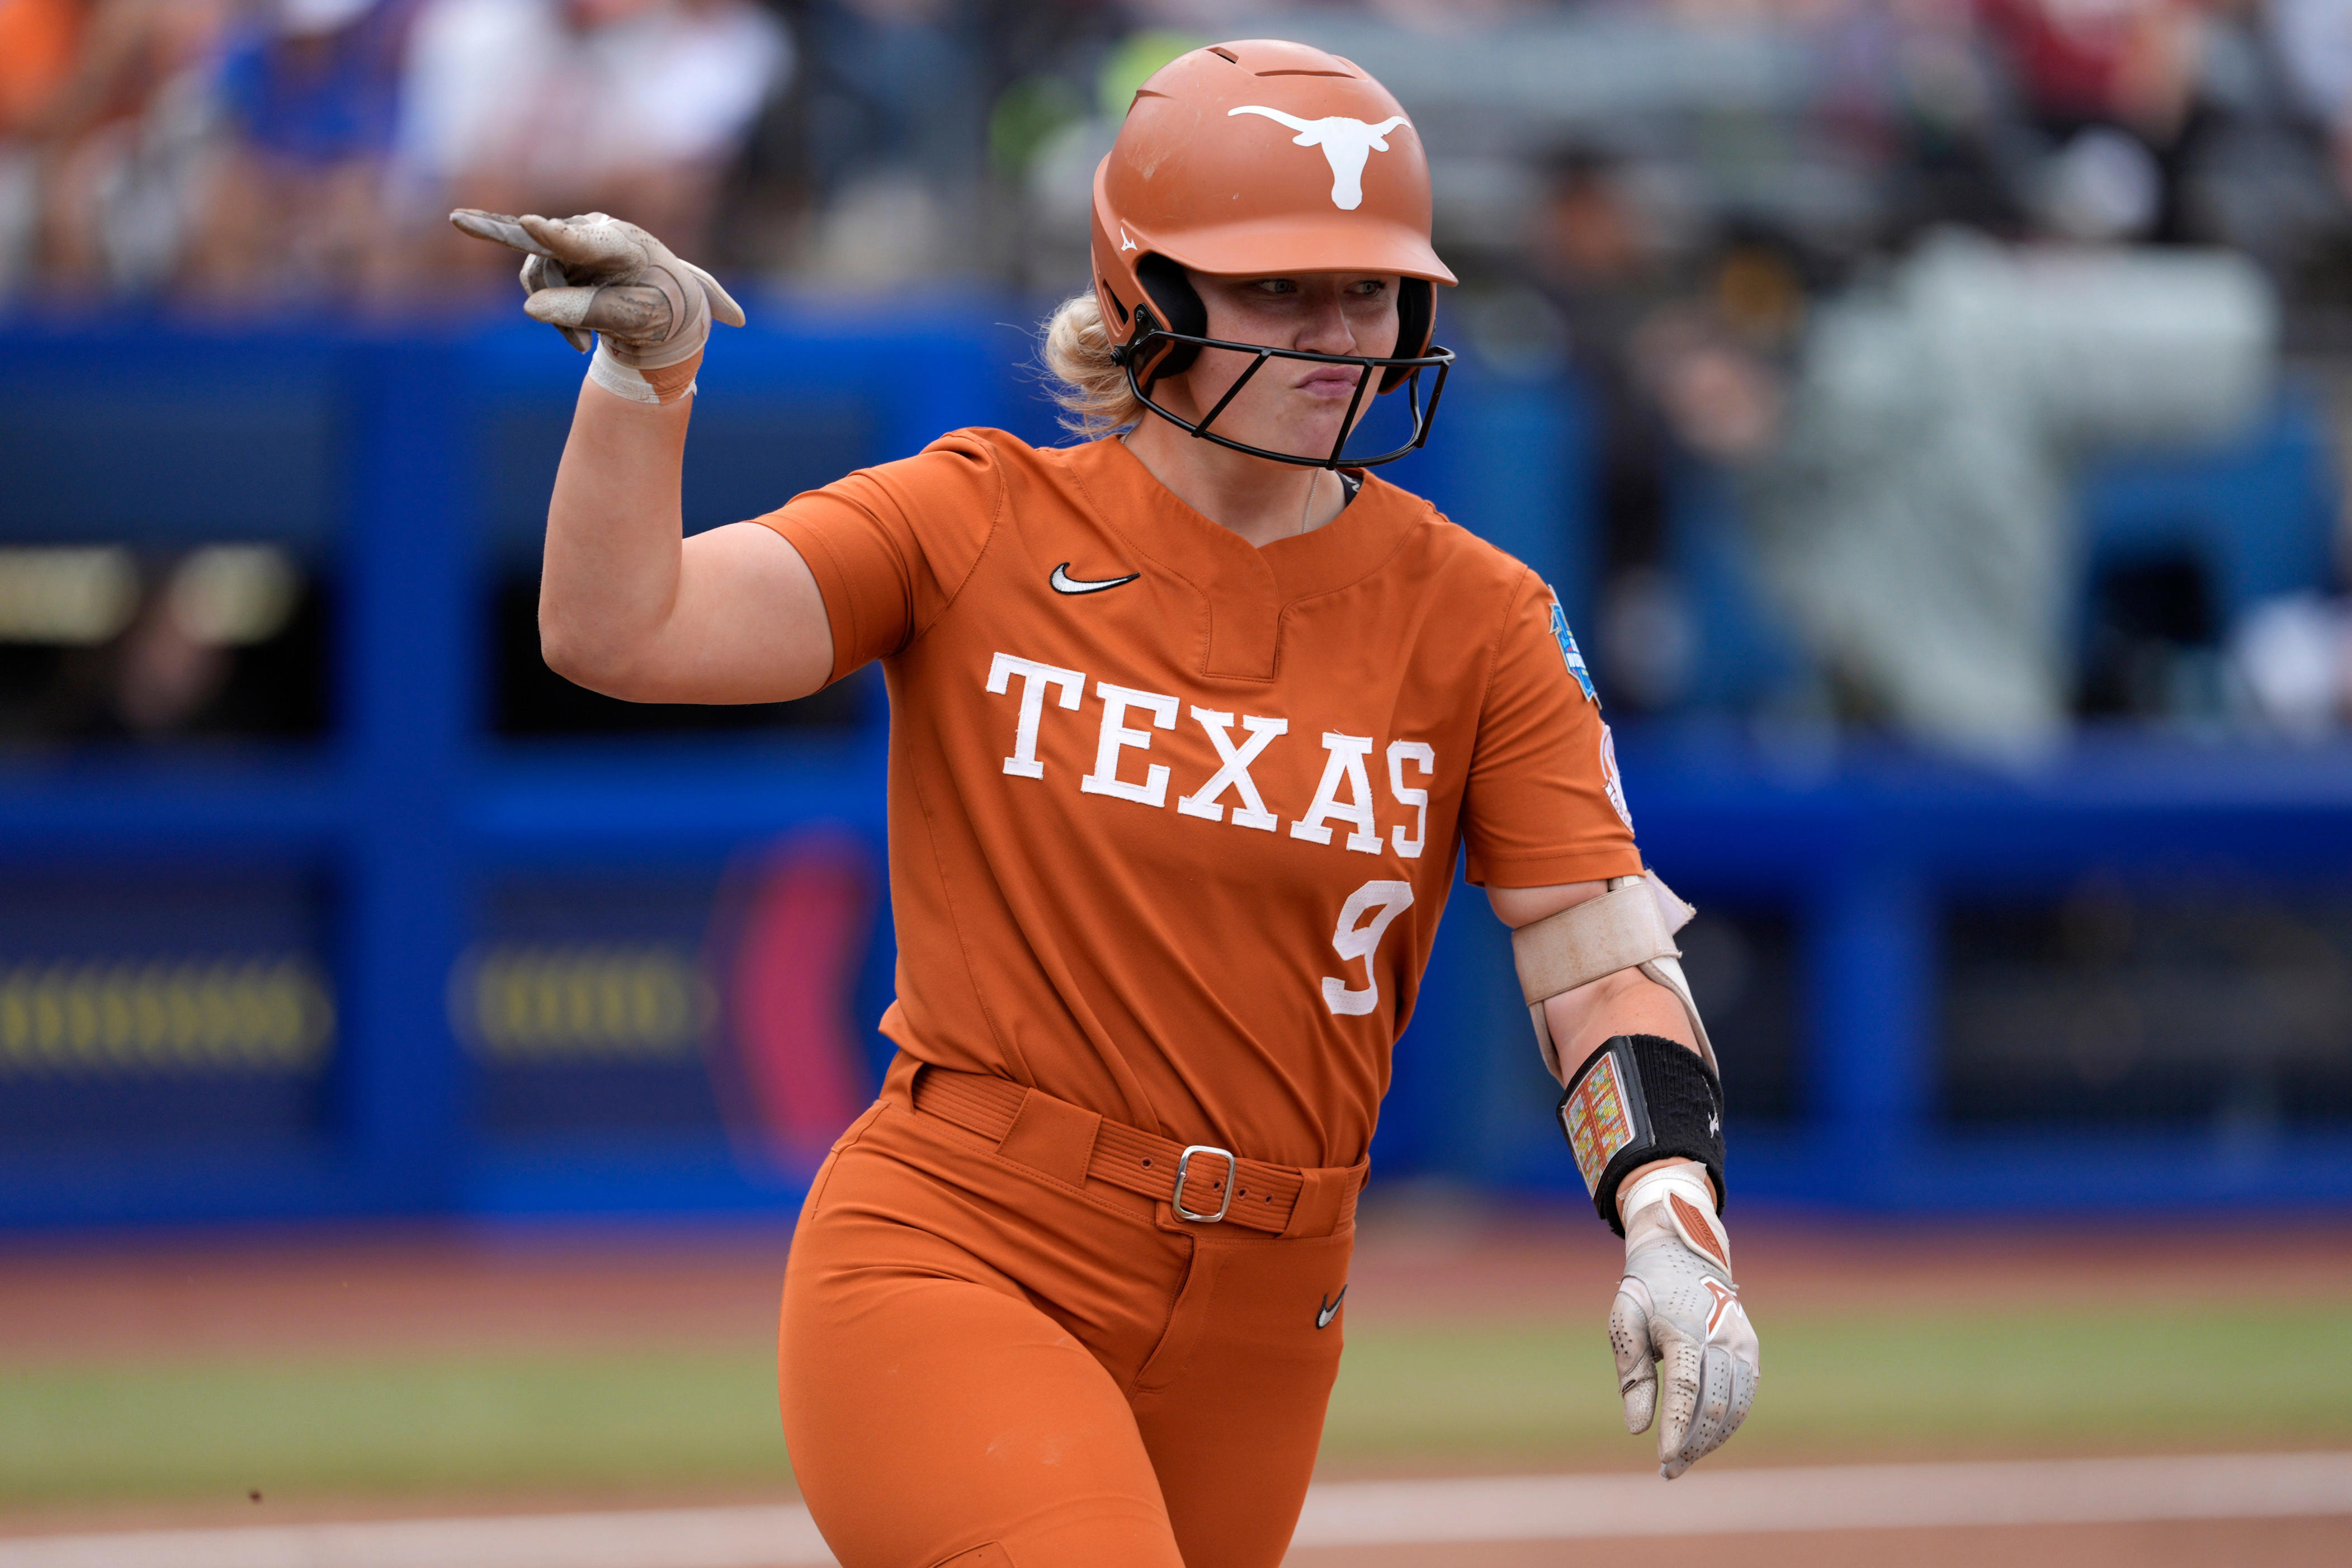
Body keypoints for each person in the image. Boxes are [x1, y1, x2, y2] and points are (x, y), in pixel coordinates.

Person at [457, 38, 1759, 1568]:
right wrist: (641, 373)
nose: (1337, 335)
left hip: (1275, 1306)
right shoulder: (975, 515)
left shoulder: (1484, 616)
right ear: (1148, 292)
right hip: (965, 1244)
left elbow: (1599, 958)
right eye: (1276, 289)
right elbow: (624, 629)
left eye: (1369, 288)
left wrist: (1674, 1216)